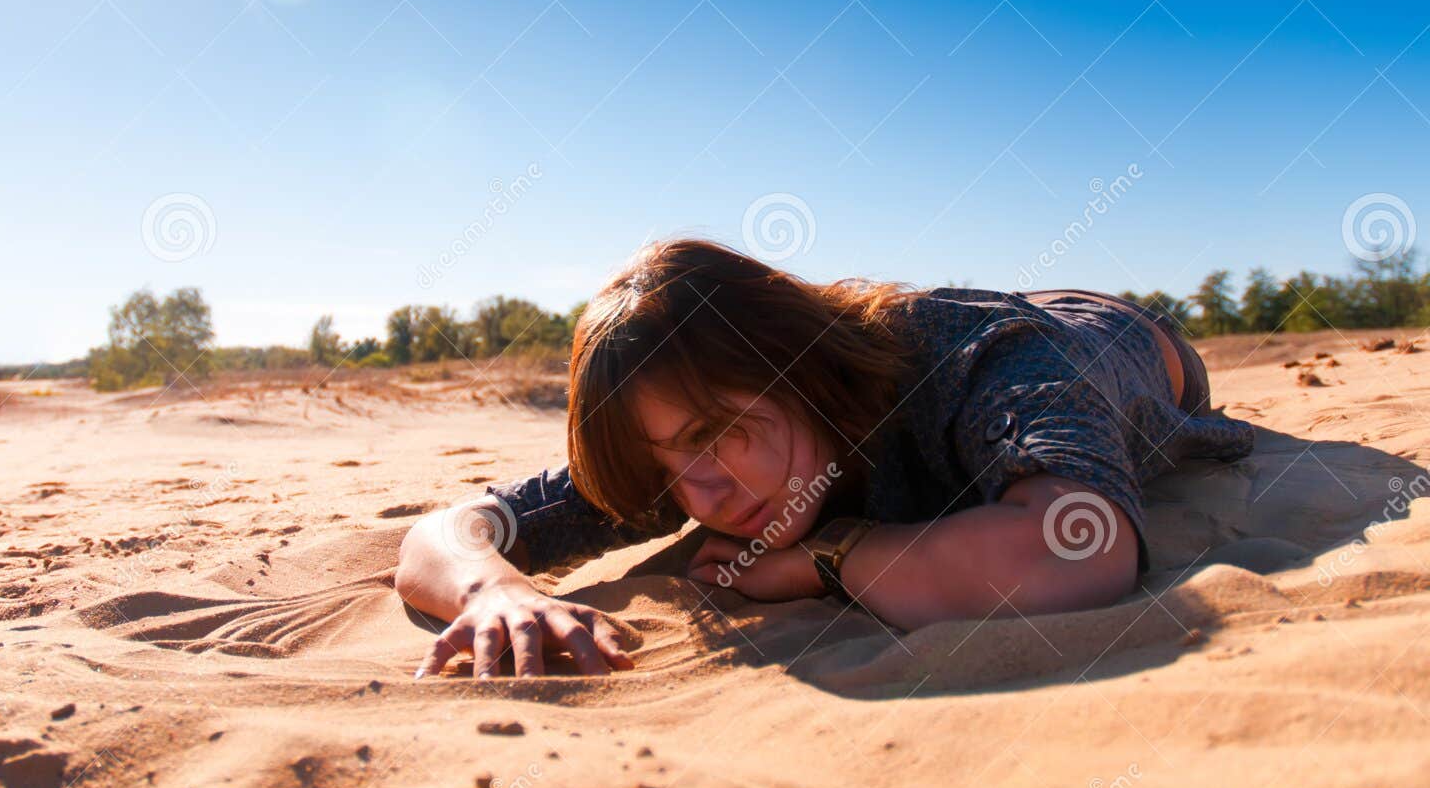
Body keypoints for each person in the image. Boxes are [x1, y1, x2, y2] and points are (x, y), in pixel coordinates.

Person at [395, 237, 1255, 678]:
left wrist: (825, 562)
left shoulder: (983, 357)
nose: (699, 495)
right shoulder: (694, 444)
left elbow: (1080, 548)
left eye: (709, 435)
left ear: (794, 365)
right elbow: (444, 534)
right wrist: (495, 589)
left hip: (1121, 336)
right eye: (667, 467)